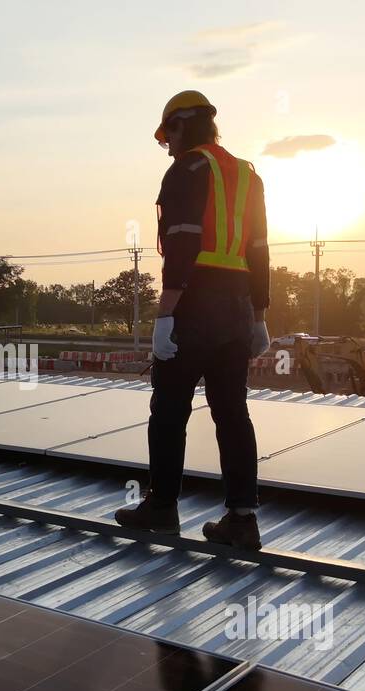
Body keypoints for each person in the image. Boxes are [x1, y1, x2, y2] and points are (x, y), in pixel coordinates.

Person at [114, 91, 271, 550]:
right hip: (236, 307)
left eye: (168, 135)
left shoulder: (186, 170)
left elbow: (182, 243)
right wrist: (258, 315)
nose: (167, 146)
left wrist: (166, 314)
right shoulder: (248, 175)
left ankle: (162, 508)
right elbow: (259, 250)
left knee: (168, 410)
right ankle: (242, 520)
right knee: (232, 412)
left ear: (183, 125)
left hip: (195, 301)